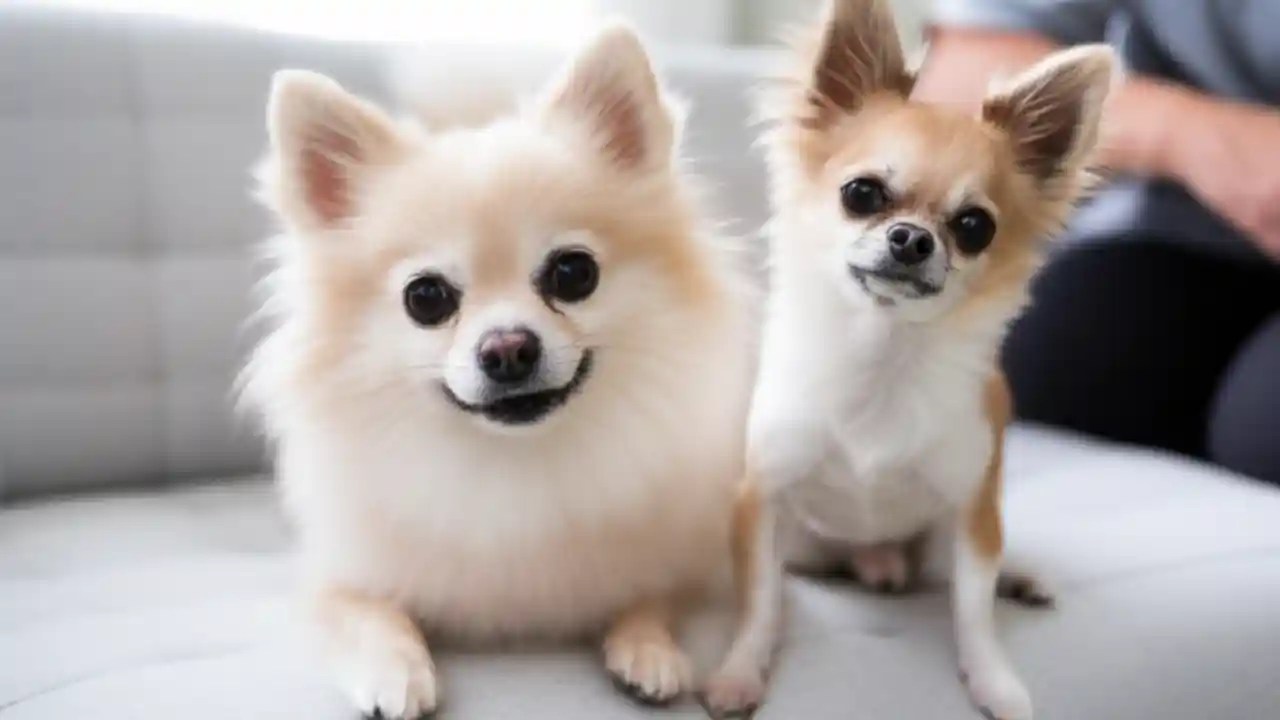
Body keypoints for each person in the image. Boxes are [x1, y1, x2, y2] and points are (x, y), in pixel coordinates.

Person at [915, 0, 1280, 484]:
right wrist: (1201, 139)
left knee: (1261, 427)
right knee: (1047, 373)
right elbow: (959, 72)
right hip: (1204, 215)